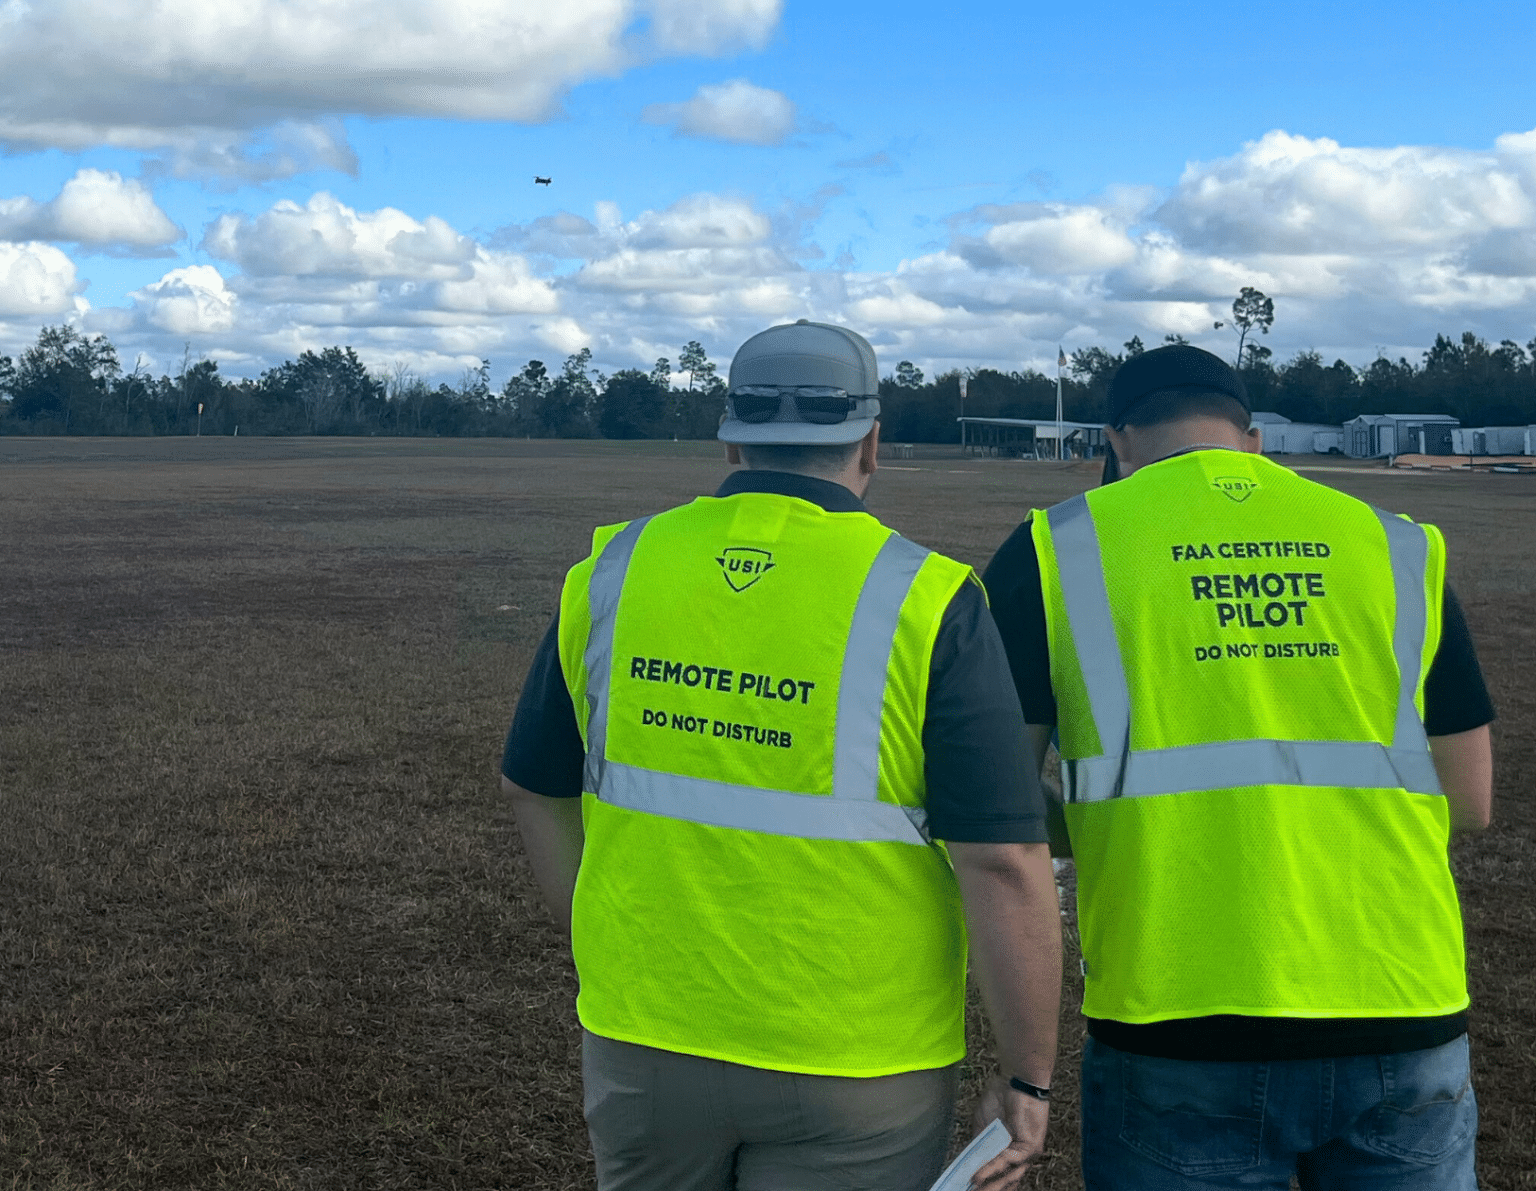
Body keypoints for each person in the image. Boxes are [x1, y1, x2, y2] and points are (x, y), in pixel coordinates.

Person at [502, 320, 1064, 1191]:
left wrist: (603, 943)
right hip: (859, 1056)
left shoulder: (613, 570)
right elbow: (1001, 859)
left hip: (644, 1031)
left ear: (730, 438)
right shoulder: (930, 598)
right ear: (871, 442)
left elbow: (532, 789)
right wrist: (1028, 1077)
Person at [982, 344, 1495, 1190]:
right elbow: (1469, 798)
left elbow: (994, 801)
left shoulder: (1055, 548)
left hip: (1177, 1011)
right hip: (1402, 1002)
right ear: (1251, 439)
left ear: (1117, 440)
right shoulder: (1399, 545)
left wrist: (1106, 819)